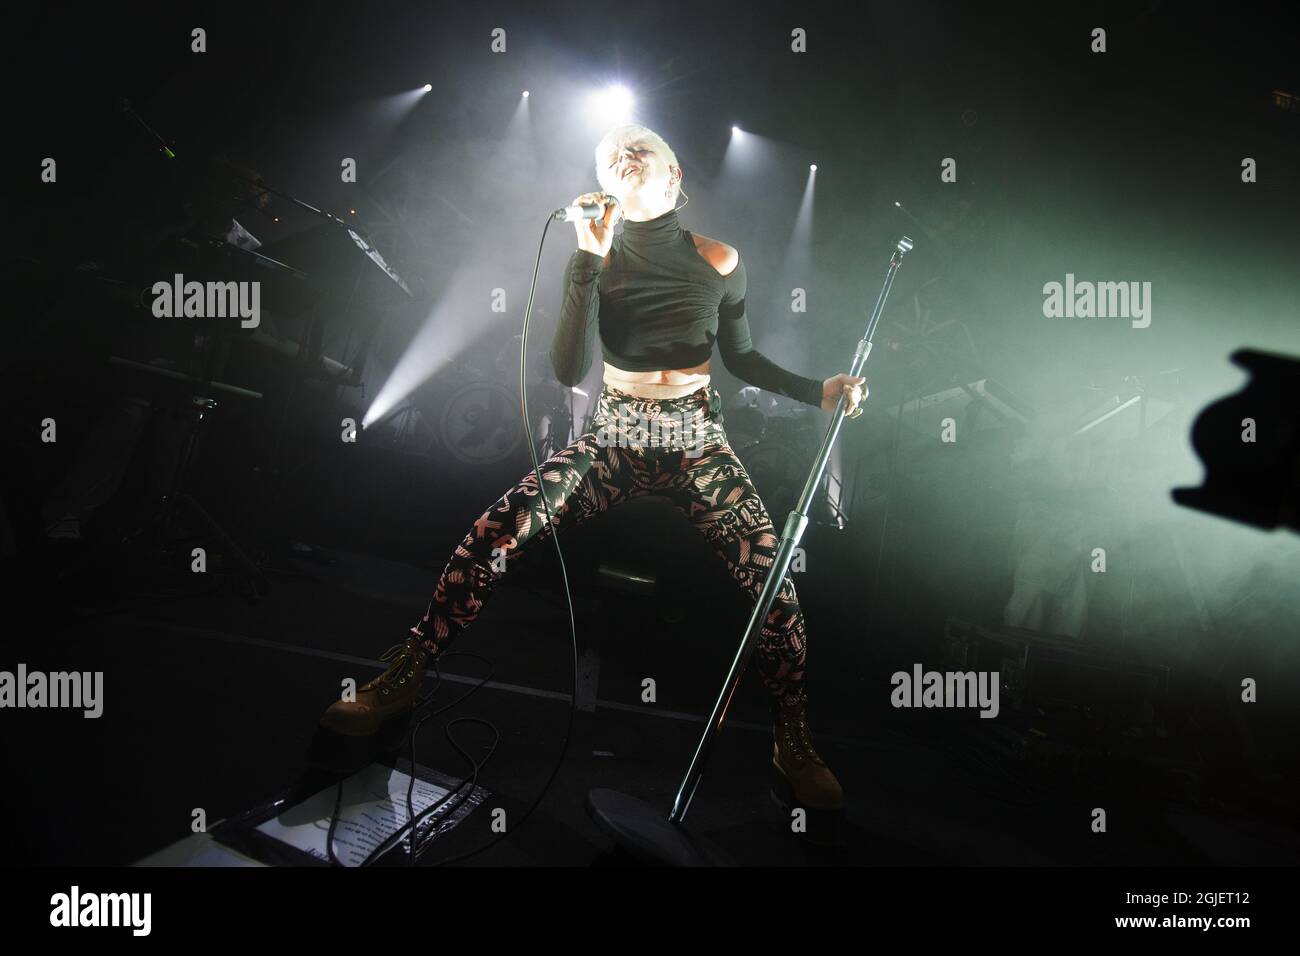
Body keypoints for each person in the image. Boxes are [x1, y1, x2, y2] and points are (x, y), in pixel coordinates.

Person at [317, 124, 866, 817]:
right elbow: (567, 369)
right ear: (605, 182)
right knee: (495, 532)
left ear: (673, 177)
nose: (627, 146)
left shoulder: (723, 260)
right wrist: (585, 260)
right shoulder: (596, 257)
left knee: (774, 579)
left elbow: (745, 359)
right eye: (615, 151)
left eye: (644, 146)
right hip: (615, 439)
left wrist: (819, 391)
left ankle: (792, 738)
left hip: (698, 443)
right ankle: (403, 675)